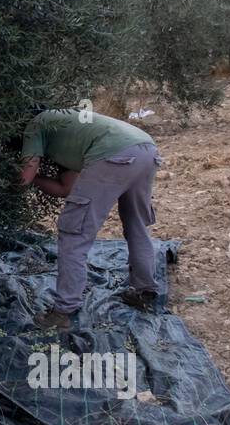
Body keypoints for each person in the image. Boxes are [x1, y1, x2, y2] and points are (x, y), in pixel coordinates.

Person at [17, 107, 161, 331]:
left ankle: (62, 313)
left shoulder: (34, 124)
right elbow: (66, 188)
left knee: (74, 233)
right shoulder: (68, 128)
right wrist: (36, 179)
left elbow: (24, 176)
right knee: (136, 225)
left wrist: (8, 178)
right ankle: (144, 291)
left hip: (114, 154)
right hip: (146, 150)